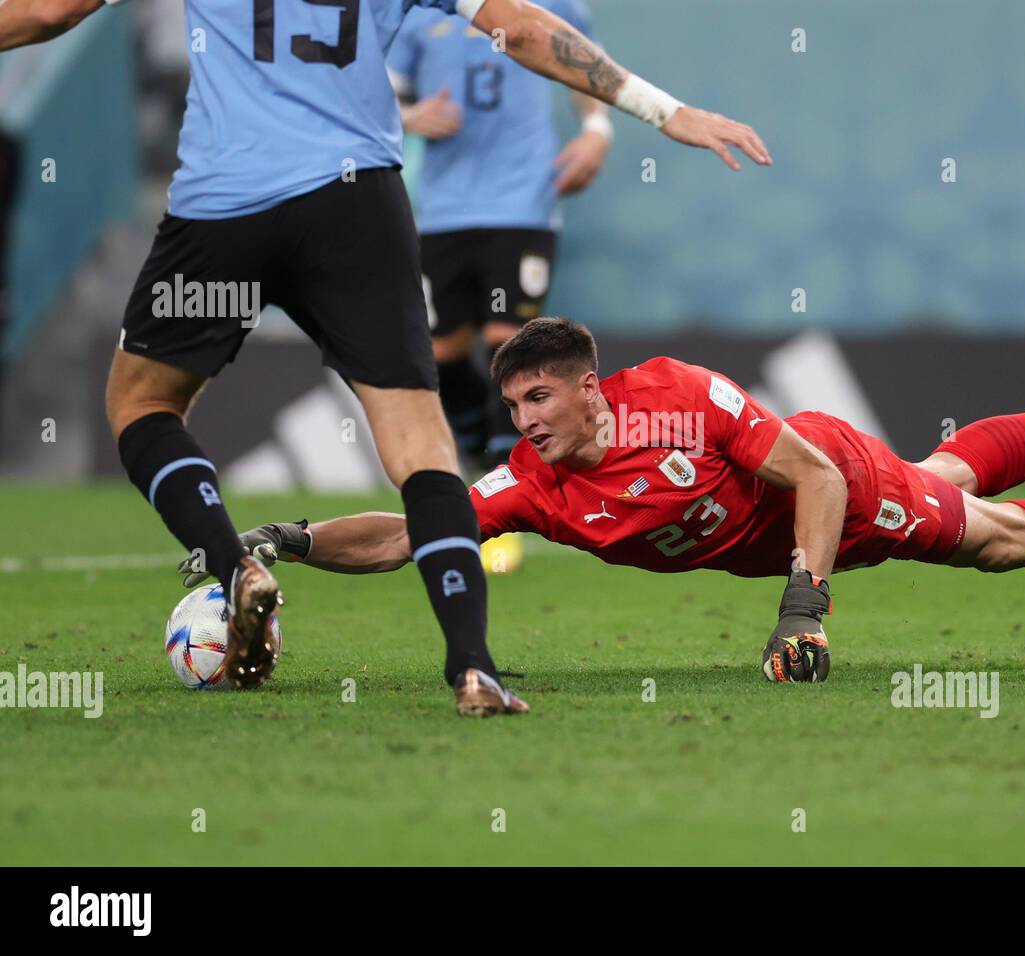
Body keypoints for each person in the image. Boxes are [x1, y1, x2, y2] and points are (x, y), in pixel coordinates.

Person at [0, 0, 771, 716]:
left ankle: (234, 566)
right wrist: (664, 112)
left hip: (226, 211)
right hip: (355, 210)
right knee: (418, 442)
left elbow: (42, 11)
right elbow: (528, 30)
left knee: (142, 404)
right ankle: (472, 665)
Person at [184, 318, 1025, 683]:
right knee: (950, 474)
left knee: (983, 537)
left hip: (831, 486)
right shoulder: (535, 486)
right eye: (512, 403)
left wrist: (803, 606)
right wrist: (284, 536)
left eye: (539, 395)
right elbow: (417, 533)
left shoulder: (678, 397)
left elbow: (810, 476)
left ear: (588, 385)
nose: (525, 417)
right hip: (802, 525)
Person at [389, 0, 610, 465]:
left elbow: (585, 64)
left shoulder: (553, 5)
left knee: (508, 343)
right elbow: (382, 93)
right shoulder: (416, 12)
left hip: (522, 202)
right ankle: (485, 460)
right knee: (440, 354)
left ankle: (514, 477)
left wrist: (596, 128)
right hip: (443, 210)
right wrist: (409, 117)